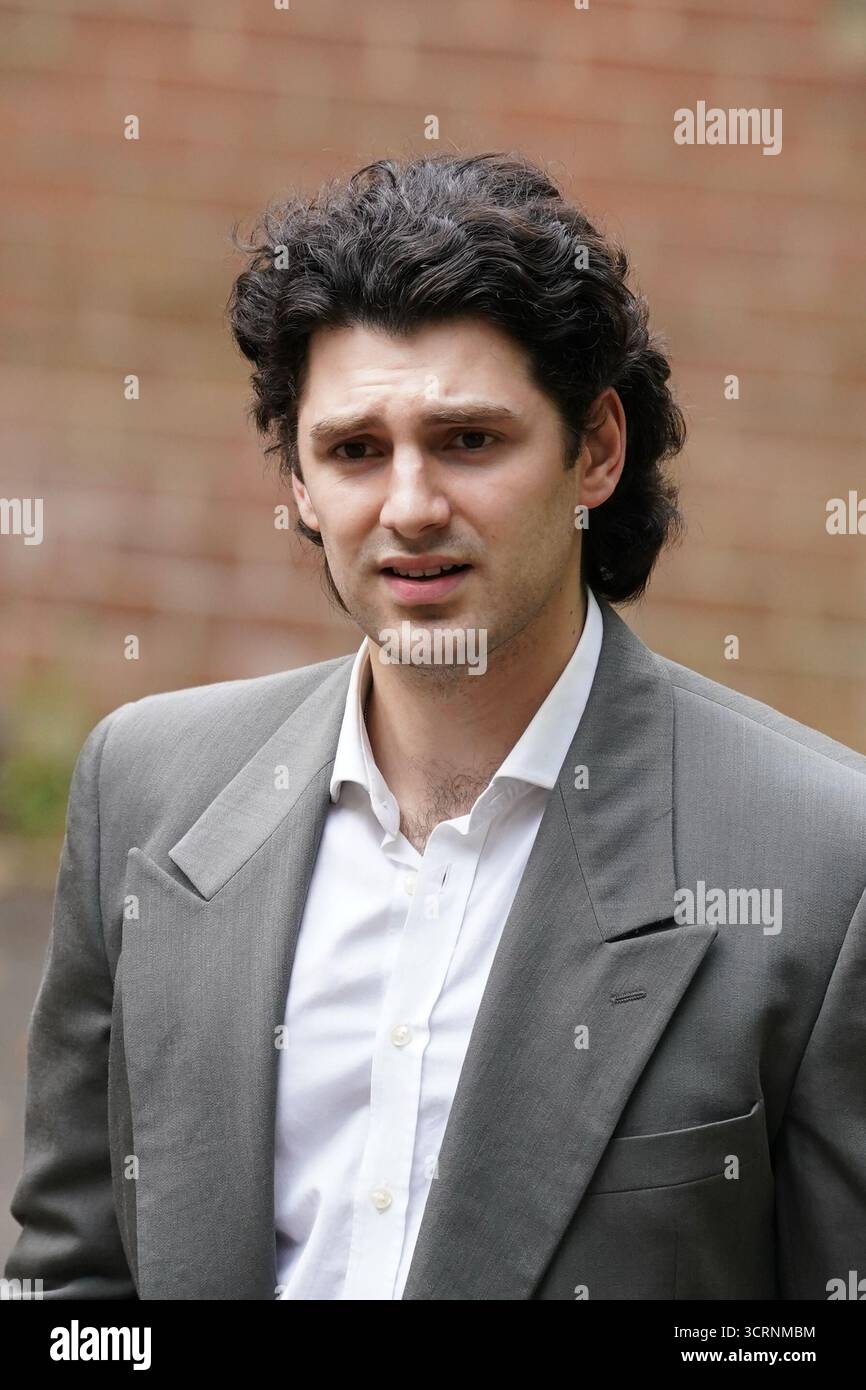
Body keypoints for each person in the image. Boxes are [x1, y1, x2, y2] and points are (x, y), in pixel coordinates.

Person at [6, 153, 866, 1300]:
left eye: (468, 440)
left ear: (595, 450)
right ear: (301, 484)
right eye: (355, 450)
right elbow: (76, 1291)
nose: (408, 506)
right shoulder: (147, 788)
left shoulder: (819, 861)